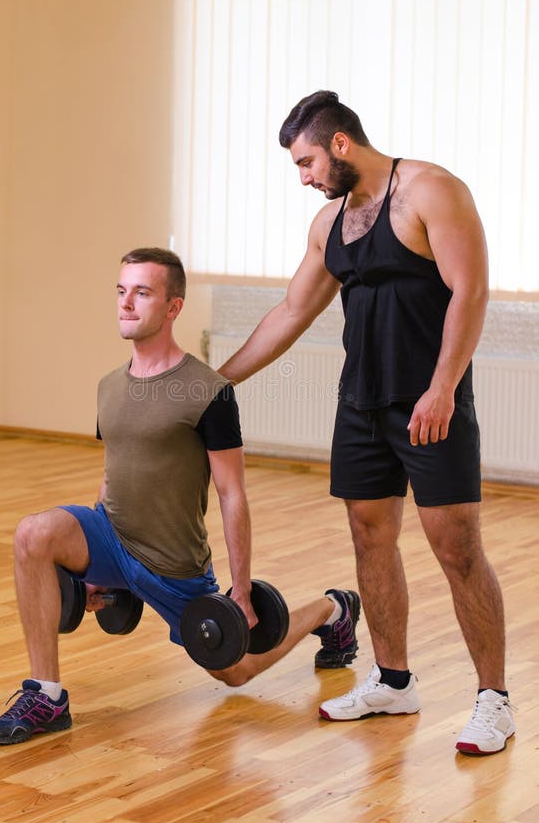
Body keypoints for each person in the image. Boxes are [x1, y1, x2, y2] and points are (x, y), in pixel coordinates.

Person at [218, 91, 515, 756]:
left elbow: (470, 291)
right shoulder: (330, 225)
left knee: (457, 548)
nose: (304, 177)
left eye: (306, 162)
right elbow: (291, 312)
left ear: (340, 144)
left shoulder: (431, 192)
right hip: (361, 404)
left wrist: (443, 387)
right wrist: (214, 383)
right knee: (369, 536)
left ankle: (493, 700)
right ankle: (393, 680)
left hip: (430, 401)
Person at [0, 246, 360, 746]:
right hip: (112, 537)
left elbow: (232, 495)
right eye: (121, 291)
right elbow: (113, 471)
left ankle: (332, 609)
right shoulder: (108, 387)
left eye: (142, 292)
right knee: (34, 533)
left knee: (237, 672)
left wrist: (242, 589)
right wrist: (93, 569)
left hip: (172, 564)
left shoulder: (208, 392)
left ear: (173, 307)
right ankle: (47, 696)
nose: (126, 304)